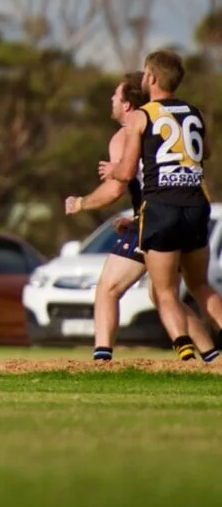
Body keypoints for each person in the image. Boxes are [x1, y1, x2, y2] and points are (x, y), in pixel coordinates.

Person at [63, 72, 218, 362]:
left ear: (126, 105)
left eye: (115, 95)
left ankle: (102, 358)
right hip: (185, 212)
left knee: (109, 287)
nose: (111, 100)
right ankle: (211, 355)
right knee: (167, 293)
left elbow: (115, 188)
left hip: (157, 217)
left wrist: (80, 203)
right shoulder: (176, 119)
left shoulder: (125, 135)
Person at [105, 50, 222, 361]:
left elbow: (128, 172)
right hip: (197, 206)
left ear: (152, 78)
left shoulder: (142, 116)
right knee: (200, 285)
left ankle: (183, 352)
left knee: (165, 291)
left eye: (145, 74)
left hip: (161, 207)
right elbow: (206, 152)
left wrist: (112, 171)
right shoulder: (194, 111)